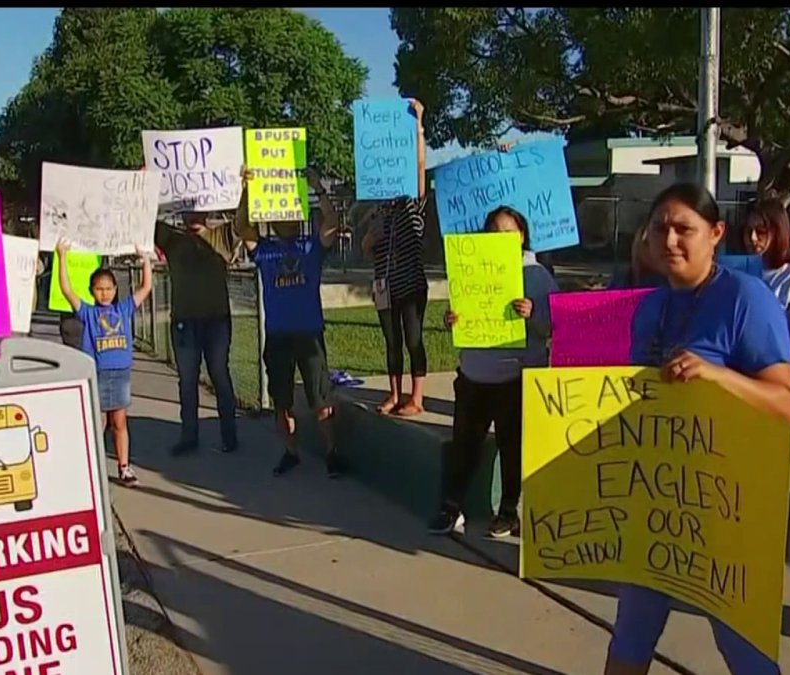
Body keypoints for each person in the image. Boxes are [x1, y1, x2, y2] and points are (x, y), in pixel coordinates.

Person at [608, 183, 790, 675]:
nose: (669, 240)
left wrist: (718, 375)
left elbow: (786, 401)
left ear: (715, 234)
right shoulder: (650, 306)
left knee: (743, 648)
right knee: (630, 634)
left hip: (724, 510)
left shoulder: (746, 299)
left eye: (683, 229)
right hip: (655, 501)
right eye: (658, 229)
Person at [427, 206, 558, 538]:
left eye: (508, 232)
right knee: (464, 446)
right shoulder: (471, 269)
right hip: (473, 374)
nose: (500, 237)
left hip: (515, 378)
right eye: (494, 231)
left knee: (511, 447)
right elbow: (463, 316)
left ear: (522, 236)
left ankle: (508, 511)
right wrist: (452, 321)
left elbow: (554, 328)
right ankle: (451, 507)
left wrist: (533, 314)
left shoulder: (537, 276)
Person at [234, 165, 347, 478]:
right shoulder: (266, 251)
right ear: (272, 218)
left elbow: (332, 223)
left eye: (294, 214)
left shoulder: (311, 247)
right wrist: (247, 190)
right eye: (282, 215)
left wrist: (318, 188)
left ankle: (332, 453)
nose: (289, 220)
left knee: (320, 399)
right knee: (282, 401)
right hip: (279, 336)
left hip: (309, 335)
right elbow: (242, 228)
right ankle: (291, 452)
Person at [56, 240, 152, 487]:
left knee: (119, 423)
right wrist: (62, 255)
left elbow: (146, 286)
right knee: (96, 424)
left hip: (120, 374)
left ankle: (124, 466)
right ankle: (92, 466)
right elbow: (66, 290)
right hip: (97, 374)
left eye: (108, 288)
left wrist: (145, 259)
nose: (105, 293)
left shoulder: (123, 309)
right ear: (91, 290)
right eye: (99, 289)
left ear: (115, 289)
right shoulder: (87, 313)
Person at [359, 97, 430, 417]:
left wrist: (417, 126)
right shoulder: (379, 211)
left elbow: (417, 165)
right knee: (391, 341)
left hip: (411, 284)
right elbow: (365, 248)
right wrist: (370, 240)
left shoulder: (413, 202)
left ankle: (417, 398)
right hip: (384, 285)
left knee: (413, 339)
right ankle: (394, 394)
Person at [156, 215, 240, 455]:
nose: (192, 216)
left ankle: (229, 434)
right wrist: (144, 180)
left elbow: (245, 221)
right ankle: (189, 436)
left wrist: (247, 186)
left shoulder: (221, 235)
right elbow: (145, 216)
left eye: (197, 210)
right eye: (187, 210)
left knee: (220, 376)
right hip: (184, 322)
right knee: (188, 381)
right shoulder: (171, 238)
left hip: (216, 321)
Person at [607, 221, 662, 290]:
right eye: (637, 241)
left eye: (646, 243)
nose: (638, 247)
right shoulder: (621, 277)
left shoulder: (665, 284)